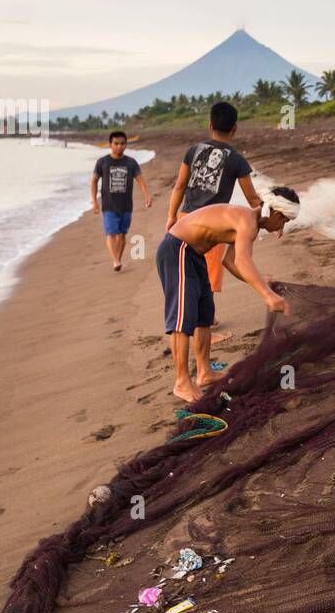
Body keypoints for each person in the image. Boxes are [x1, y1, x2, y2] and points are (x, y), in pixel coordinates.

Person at [156, 188, 299, 403]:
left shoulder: (248, 222)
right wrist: (268, 295)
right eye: (284, 221)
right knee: (182, 319)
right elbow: (242, 261)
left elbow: (230, 262)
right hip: (178, 250)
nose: (281, 228)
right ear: (276, 214)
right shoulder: (247, 221)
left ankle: (204, 372)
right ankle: (181, 382)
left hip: (194, 255)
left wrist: (261, 281)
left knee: (204, 316)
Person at [165, 101, 264, 305]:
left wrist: (171, 216)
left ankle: (201, 322)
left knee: (190, 271)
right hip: (212, 224)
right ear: (235, 127)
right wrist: (267, 217)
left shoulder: (194, 150)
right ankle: (207, 326)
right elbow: (252, 198)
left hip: (186, 220)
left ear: (210, 125)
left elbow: (180, 185)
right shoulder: (237, 160)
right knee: (208, 277)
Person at [91, 131, 152, 271]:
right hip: (109, 206)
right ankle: (116, 261)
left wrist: (147, 196)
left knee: (122, 234)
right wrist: (94, 201)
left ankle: (118, 258)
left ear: (126, 145)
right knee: (111, 233)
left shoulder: (131, 163)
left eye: (122, 144)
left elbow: (140, 180)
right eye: (116, 144)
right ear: (110, 145)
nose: (119, 146)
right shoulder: (103, 162)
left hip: (126, 206)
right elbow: (94, 181)